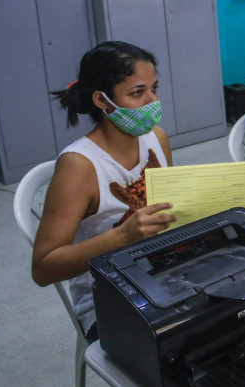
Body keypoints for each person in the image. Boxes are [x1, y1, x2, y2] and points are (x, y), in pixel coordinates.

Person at [31, 41, 177, 343]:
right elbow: (44, 268)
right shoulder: (79, 166)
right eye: (138, 93)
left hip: (167, 270)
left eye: (154, 88)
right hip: (109, 297)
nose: (152, 101)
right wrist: (122, 237)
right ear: (102, 100)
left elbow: (172, 206)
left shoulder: (156, 139)